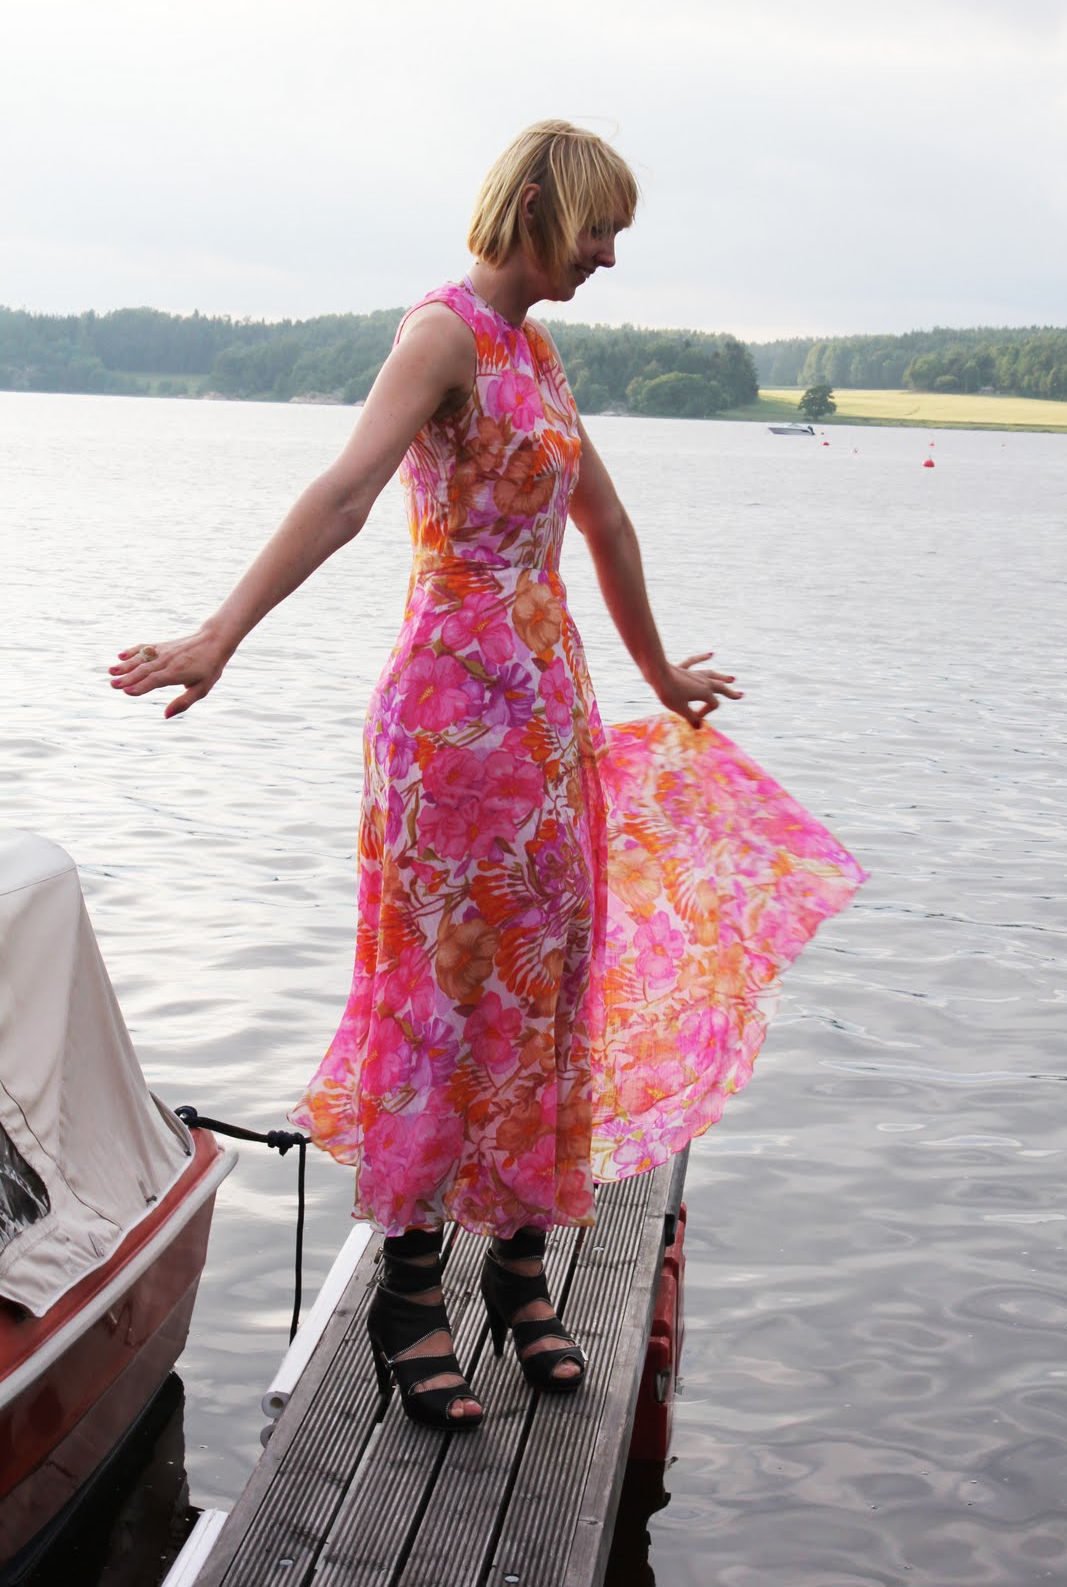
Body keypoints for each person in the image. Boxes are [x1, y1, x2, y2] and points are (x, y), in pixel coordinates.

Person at [110, 121, 865, 1431]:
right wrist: (219, 633)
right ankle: (413, 1290)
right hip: (449, 729)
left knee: (555, 978)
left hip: (549, 716)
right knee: (444, 1000)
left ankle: (520, 1264)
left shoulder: (537, 352)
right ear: (535, 204)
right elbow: (346, 494)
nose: (611, 256)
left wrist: (658, 679)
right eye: (597, 228)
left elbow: (607, 522)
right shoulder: (444, 336)